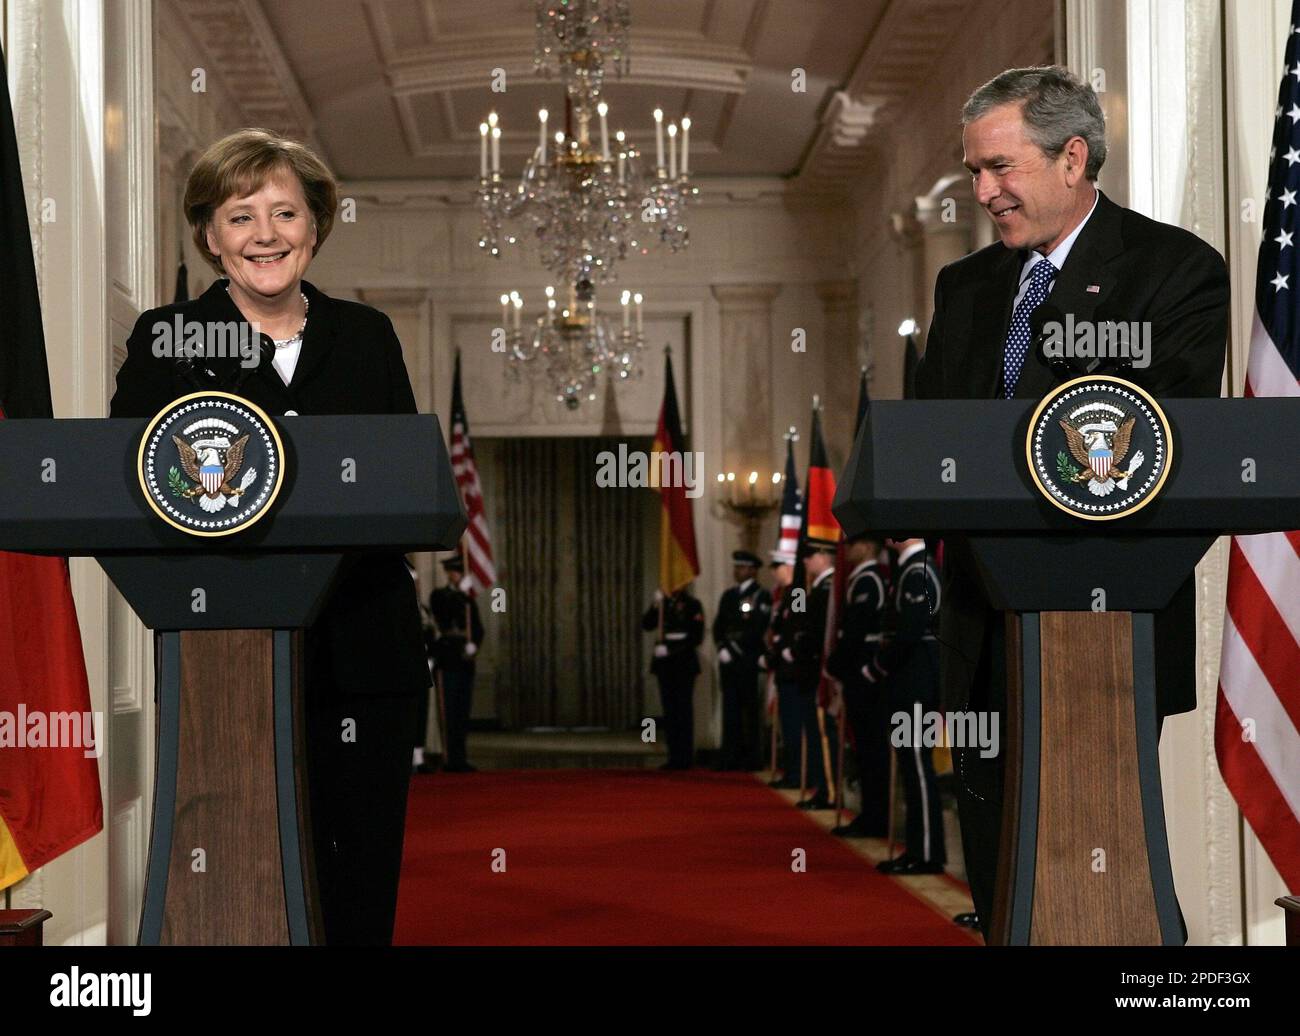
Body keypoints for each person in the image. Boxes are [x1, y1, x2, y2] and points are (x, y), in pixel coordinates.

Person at [915, 66, 1229, 936]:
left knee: (1101, 871)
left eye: (1000, 168)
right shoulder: (966, 287)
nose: (984, 192)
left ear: (1073, 158)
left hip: (1104, 631)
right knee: (997, 879)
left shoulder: (1173, 271)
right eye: (974, 171)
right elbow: (938, 446)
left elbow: (1170, 453)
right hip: (982, 628)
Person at [109, 128, 430, 945]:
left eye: (285, 212)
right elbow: (126, 480)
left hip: (363, 652)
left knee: (357, 871)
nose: (266, 234)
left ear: (314, 226)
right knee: (234, 873)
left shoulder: (366, 335)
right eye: (240, 215)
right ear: (209, 235)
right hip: (224, 655)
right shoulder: (167, 339)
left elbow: (403, 481)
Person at [867, 539, 945, 874]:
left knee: (918, 768)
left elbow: (910, 632)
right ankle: (917, 848)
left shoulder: (918, 571)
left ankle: (926, 852)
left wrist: (879, 665)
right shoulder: (910, 570)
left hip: (915, 683)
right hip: (909, 683)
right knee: (912, 769)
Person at [825, 532, 890, 838]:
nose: (847, 549)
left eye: (851, 544)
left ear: (866, 546)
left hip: (865, 677)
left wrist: (835, 665)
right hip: (858, 674)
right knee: (865, 749)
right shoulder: (863, 579)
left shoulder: (869, 580)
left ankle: (875, 817)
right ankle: (871, 813)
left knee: (871, 750)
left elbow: (855, 633)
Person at [712, 550, 771, 770]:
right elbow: (719, 626)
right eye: (736, 567)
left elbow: (758, 628)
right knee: (730, 710)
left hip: (748, 660)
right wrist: (722, 647)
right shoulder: (729, 595)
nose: (736, 571)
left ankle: (751, 758)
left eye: (742, 567)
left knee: (750, 711)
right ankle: (730, 755)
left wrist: (735, 649)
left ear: (753, 570)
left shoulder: (761, 595)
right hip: (728, 662)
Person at [791, 541, 839, 811]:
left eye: (810, 555)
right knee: (813, 732)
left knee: (821, 734)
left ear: (824, 556)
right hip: (808, 671)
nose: (805, 561)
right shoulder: (814, 589)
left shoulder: (827, 588)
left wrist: (800, 644)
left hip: (818, 672)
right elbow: (802, 624)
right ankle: (821, 786)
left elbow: (819, 634)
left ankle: (828, 791)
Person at [427, 555, 485, 772]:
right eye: (454, 572)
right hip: (448, 658)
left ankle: (460, 757)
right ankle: (449, 758)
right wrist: (461, 595)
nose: (456, 575)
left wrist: (474, 645)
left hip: (464, 660)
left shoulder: (468, 600)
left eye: (459, 572)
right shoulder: (440, 595)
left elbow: (478, 628)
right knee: (449, 711)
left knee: (462, 711)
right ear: (449, 574)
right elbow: (443, 614)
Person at [642, 586, 705, 769]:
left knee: (683, 710)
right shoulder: (662, 604)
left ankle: (685, 756)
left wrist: (670, 650)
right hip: (665, 666)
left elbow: (696, 636)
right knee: (669, 710)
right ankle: (673, 755)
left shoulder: (692, 604)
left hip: (683, 663)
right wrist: (655, 606)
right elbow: (647, 624)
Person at [763, 550, 802, 788]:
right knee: (787, 725)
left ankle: (796, 773)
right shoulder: (785, 594)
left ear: (788, 567)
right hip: (783, 669)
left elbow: (798, 626)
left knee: (794, 725)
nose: (774, 572)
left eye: (776, 567)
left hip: (793, 669)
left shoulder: (797, 593)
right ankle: (791, 771)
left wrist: (786, 650)